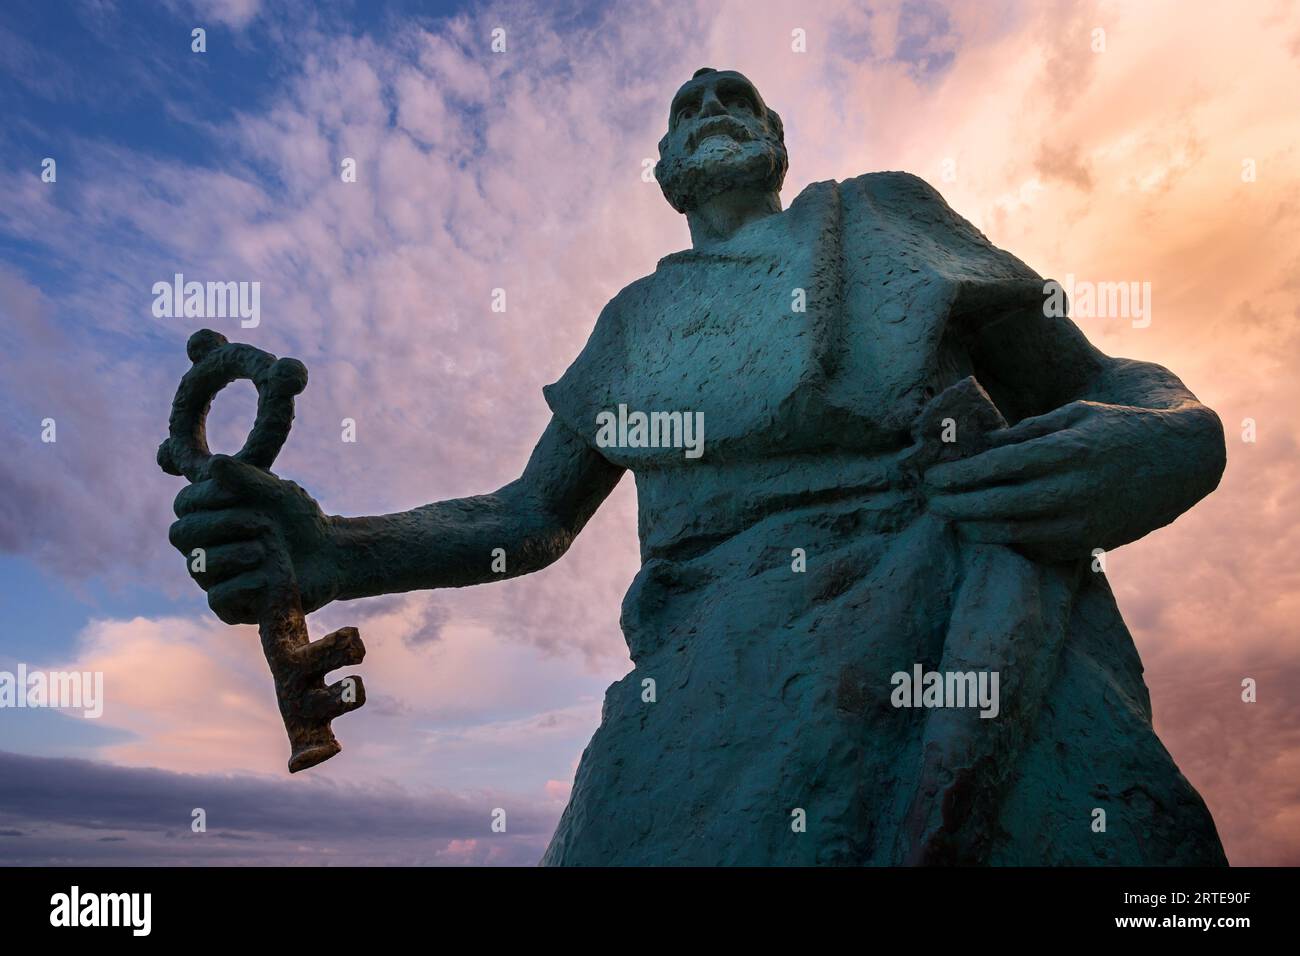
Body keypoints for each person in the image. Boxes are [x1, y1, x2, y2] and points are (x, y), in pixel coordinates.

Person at [170, 68, 1228, 865]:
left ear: (775, 143)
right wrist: (330, 550)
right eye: (686, 107)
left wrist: (1172, 437)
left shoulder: (887, 216)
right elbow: (529, 516)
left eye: (740, 100)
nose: (714, 93)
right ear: (665, 173)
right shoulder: (630, 324)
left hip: (976, 637)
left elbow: (1107, 378)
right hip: (706, 704)